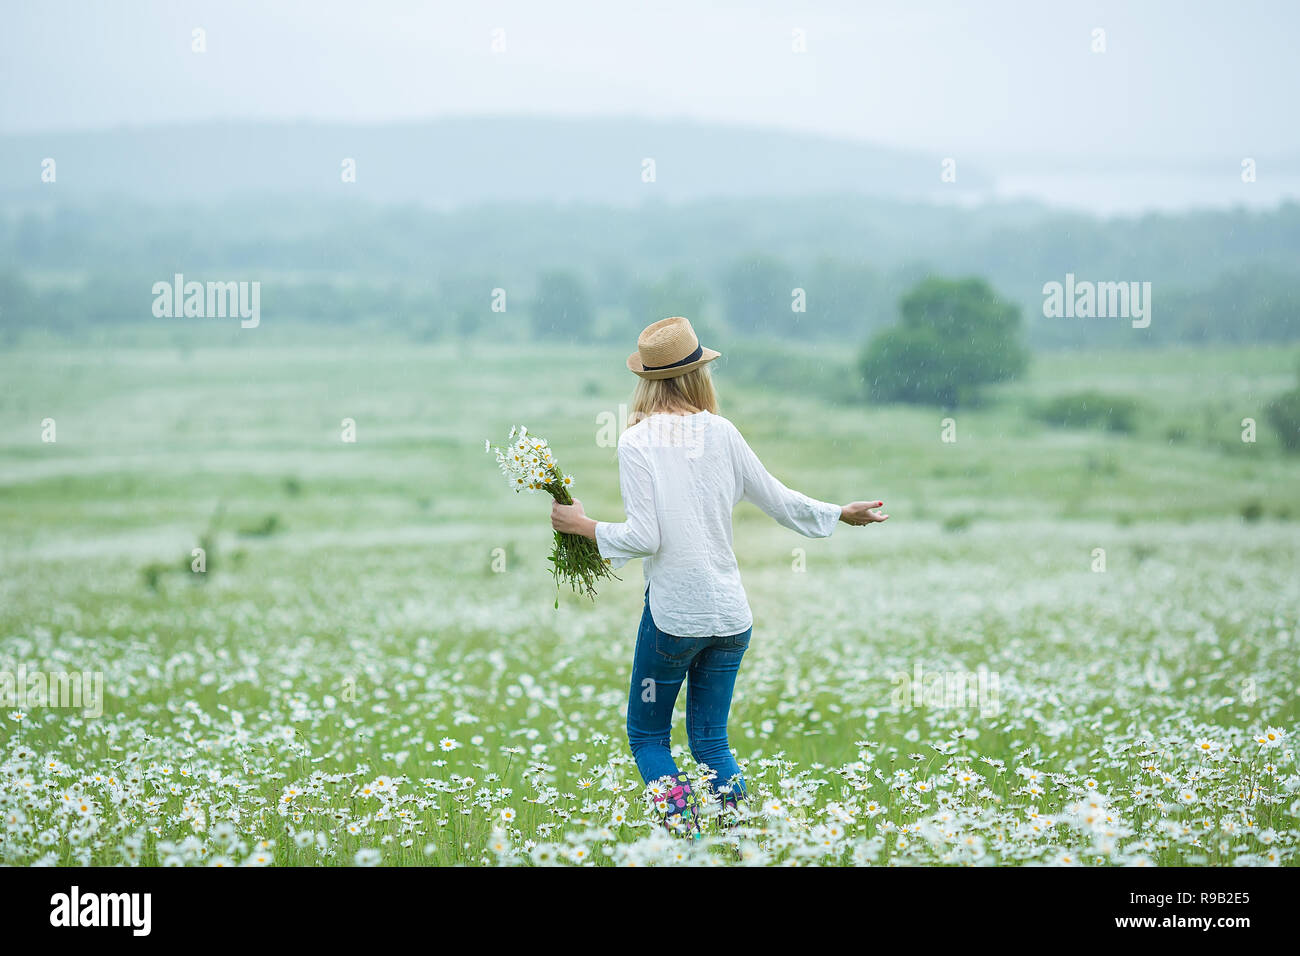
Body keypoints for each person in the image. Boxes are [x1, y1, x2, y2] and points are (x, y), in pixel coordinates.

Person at [551, 316, 888, 834]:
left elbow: (645, 538)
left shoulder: (637, 443)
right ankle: (739, 842)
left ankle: (685, 837)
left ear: (645, 380)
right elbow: (778, 499)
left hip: (674, 621)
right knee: (712, 741)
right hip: (731, 618)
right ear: (699, 373)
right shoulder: (722, 432)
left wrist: (583, 525)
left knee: (647, 738)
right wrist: (840, 512)